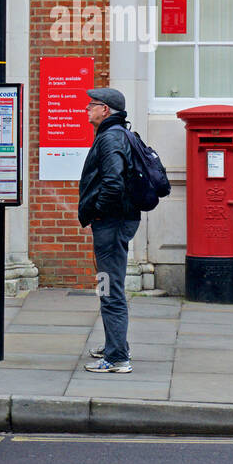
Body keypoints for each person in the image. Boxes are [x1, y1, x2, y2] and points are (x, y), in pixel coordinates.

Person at [78, 87, 141, 374]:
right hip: (114, 221)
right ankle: (115, 345)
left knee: (110, 287)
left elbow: (113, 183)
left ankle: (117, 359)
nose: (87, 109)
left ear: (105, 110)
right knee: (106, 285)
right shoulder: (114, 135)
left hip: (112, 223)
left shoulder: (110, 138)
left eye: (92, 105)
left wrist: (98, 213)